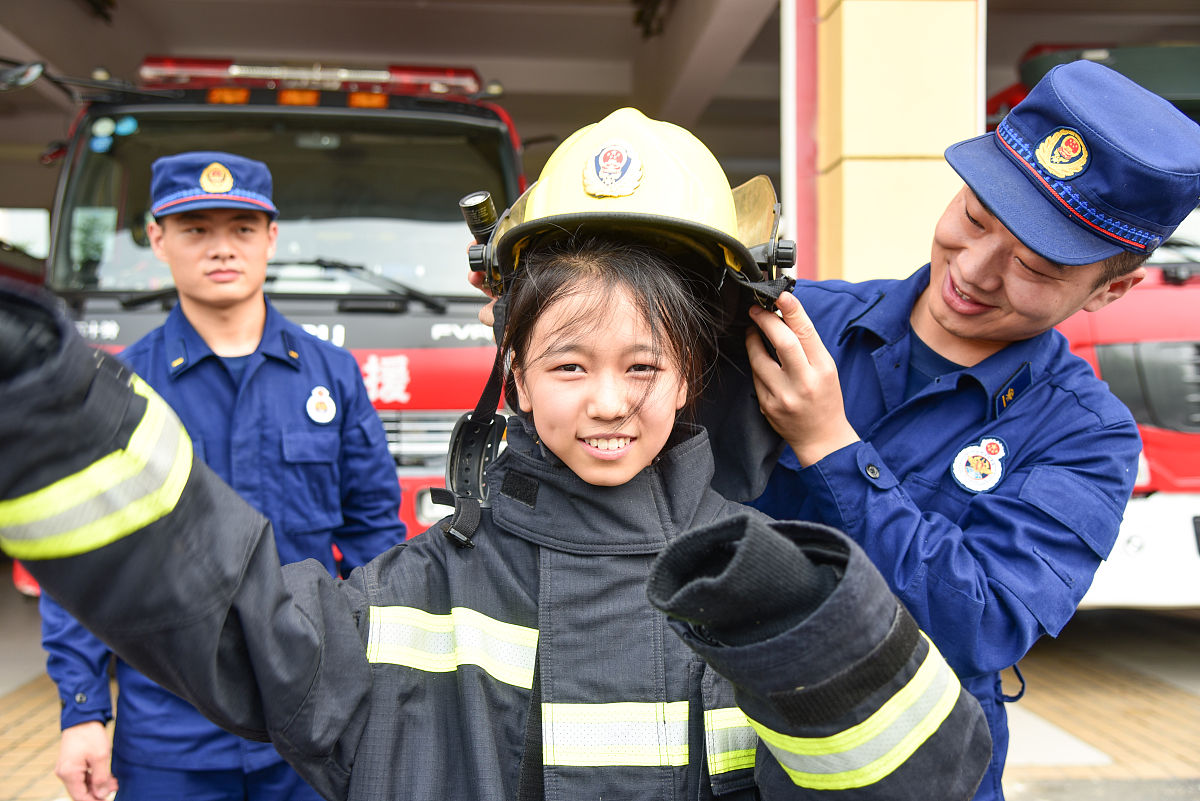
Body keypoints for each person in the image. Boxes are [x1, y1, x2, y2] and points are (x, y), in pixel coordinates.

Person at [0, 109, 992, 800]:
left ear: (693, 373)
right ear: (512, 370)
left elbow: (932, 778)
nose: (607, 403)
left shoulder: (784, 584)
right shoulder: (412, 598)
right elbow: (217, 608)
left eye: (643, 365)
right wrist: (51, 411)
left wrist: (817, 636)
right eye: (568, 363)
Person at [744, 60, 1200, 801]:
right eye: (977, 216)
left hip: (911, 775)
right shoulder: (798, 322)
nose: (976, 270)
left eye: (1036, 264)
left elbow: (980, 622)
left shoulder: (1086, 438)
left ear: (1111, 289)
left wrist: (831, 445)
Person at [38, 151, 407, 801]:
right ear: (157, 238)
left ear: (271, 236)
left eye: (241, 228)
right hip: (170, 733)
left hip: (312, 720)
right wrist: (82, 710)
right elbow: (80, 562)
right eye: (196, 229)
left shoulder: (331, 376)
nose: (221, 248)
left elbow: (379, 543)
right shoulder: (121, 389)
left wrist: (402, 688)